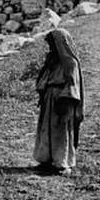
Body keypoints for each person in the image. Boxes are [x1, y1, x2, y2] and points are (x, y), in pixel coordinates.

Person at [34, 27, 84, 174]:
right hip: (49, 98)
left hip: (62, 100)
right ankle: (46, 159)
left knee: (61, 132)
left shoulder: (70, 63)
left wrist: (65, 100)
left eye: (52, 45)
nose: (50, 48)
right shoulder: (52, 60)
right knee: (46, 130)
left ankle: (62, 163)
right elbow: (44, 77)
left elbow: (73, 85)